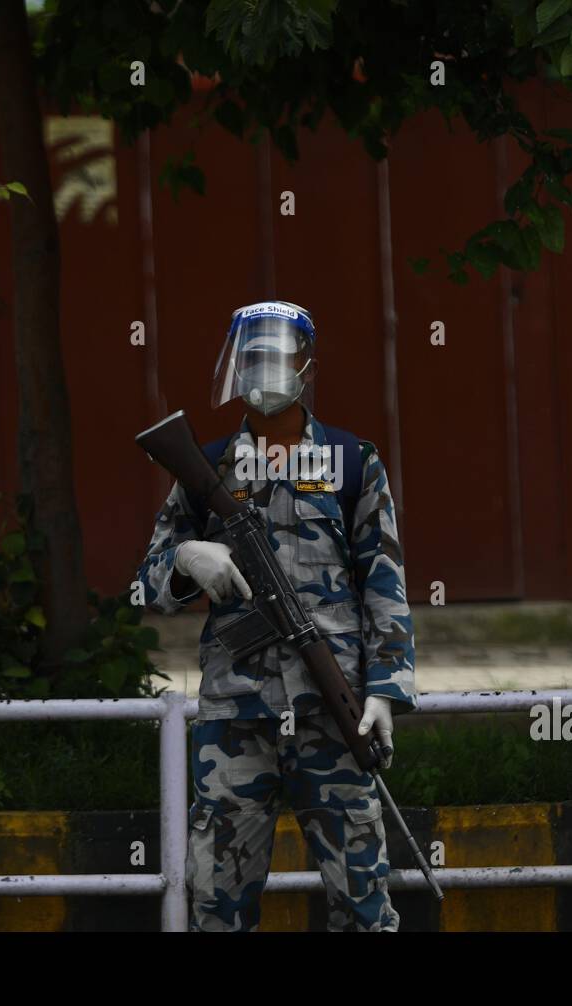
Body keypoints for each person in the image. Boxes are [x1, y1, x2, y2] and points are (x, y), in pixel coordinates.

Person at [136, 299, 417, 931]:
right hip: (236, 719)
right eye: (253, 357)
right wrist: (186, 558)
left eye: (276, 357)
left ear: (304, 366)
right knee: (217, 904)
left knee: (364, 904)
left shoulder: (353, 462)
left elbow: (385, 583)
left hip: (330, 706)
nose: (264, 370)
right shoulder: (203, 467)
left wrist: (387, 691)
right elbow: (148, 584)